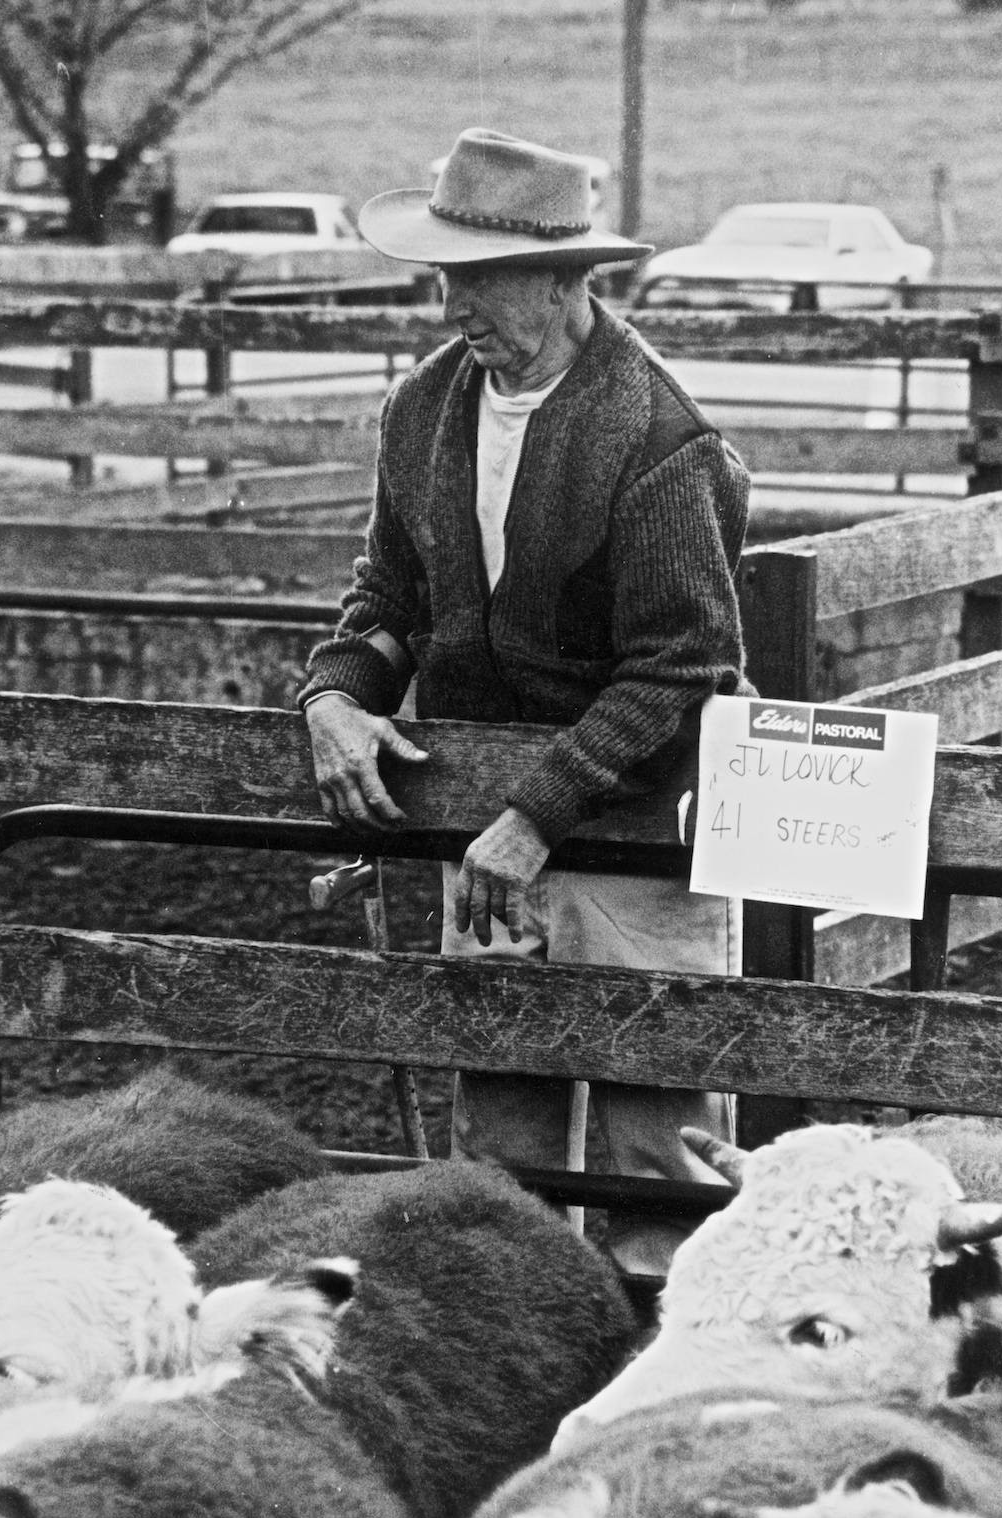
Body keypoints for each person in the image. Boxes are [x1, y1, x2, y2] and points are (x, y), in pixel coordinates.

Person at [299, 128, 752, 1278]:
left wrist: (537, 813)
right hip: (488, 824)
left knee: (658, 1143)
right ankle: (512, 1347)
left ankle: (663, 1363)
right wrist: (336, 697)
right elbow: (393, 592)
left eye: (479, 279)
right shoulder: (427, 408)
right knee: (497, 1130)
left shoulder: (655, 439)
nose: (455, 306)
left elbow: (681, 663)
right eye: (444, 278)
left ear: (562, 279)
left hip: (631, 830)